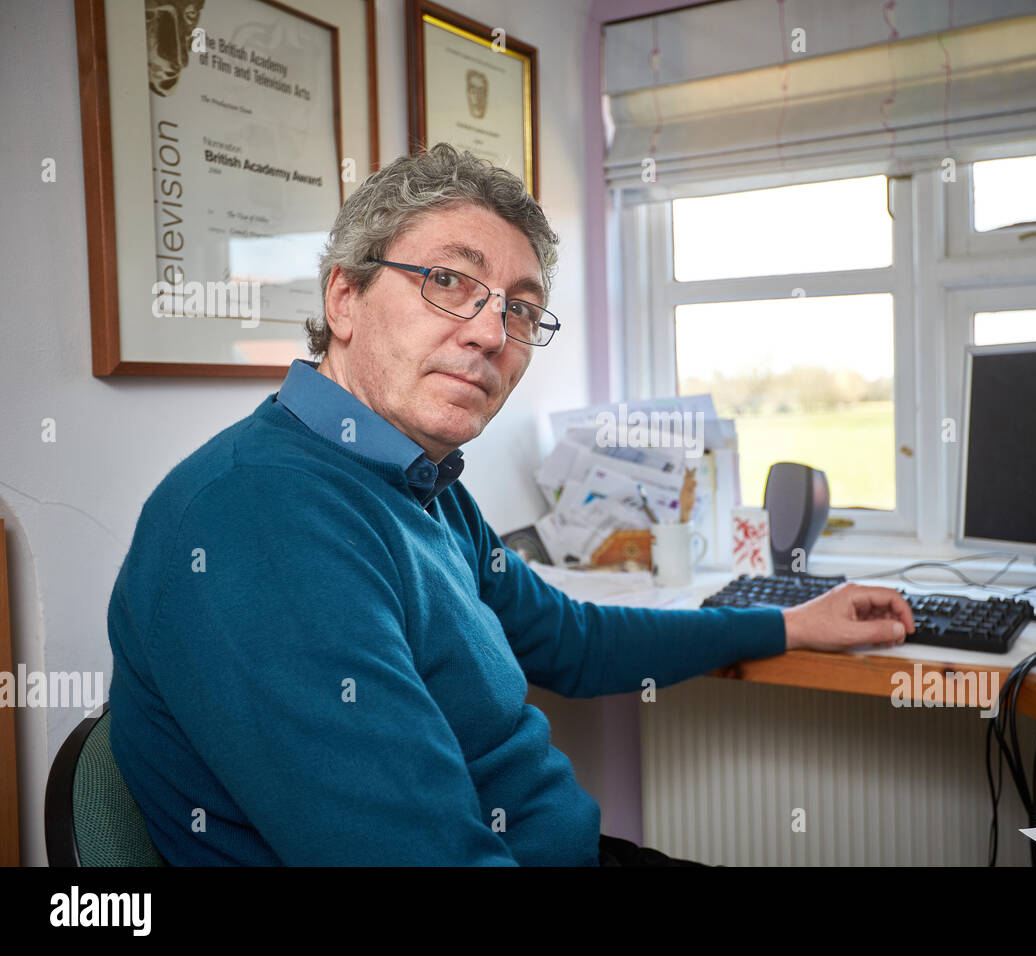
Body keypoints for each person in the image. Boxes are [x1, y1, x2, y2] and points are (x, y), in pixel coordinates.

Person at [106, 143, 915, 866]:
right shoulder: (259, 517)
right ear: (344, 299)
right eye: (449, 282)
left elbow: (574, 640)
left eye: (520, 308)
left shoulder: (416, 481)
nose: (492, 333)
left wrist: (786, 624)